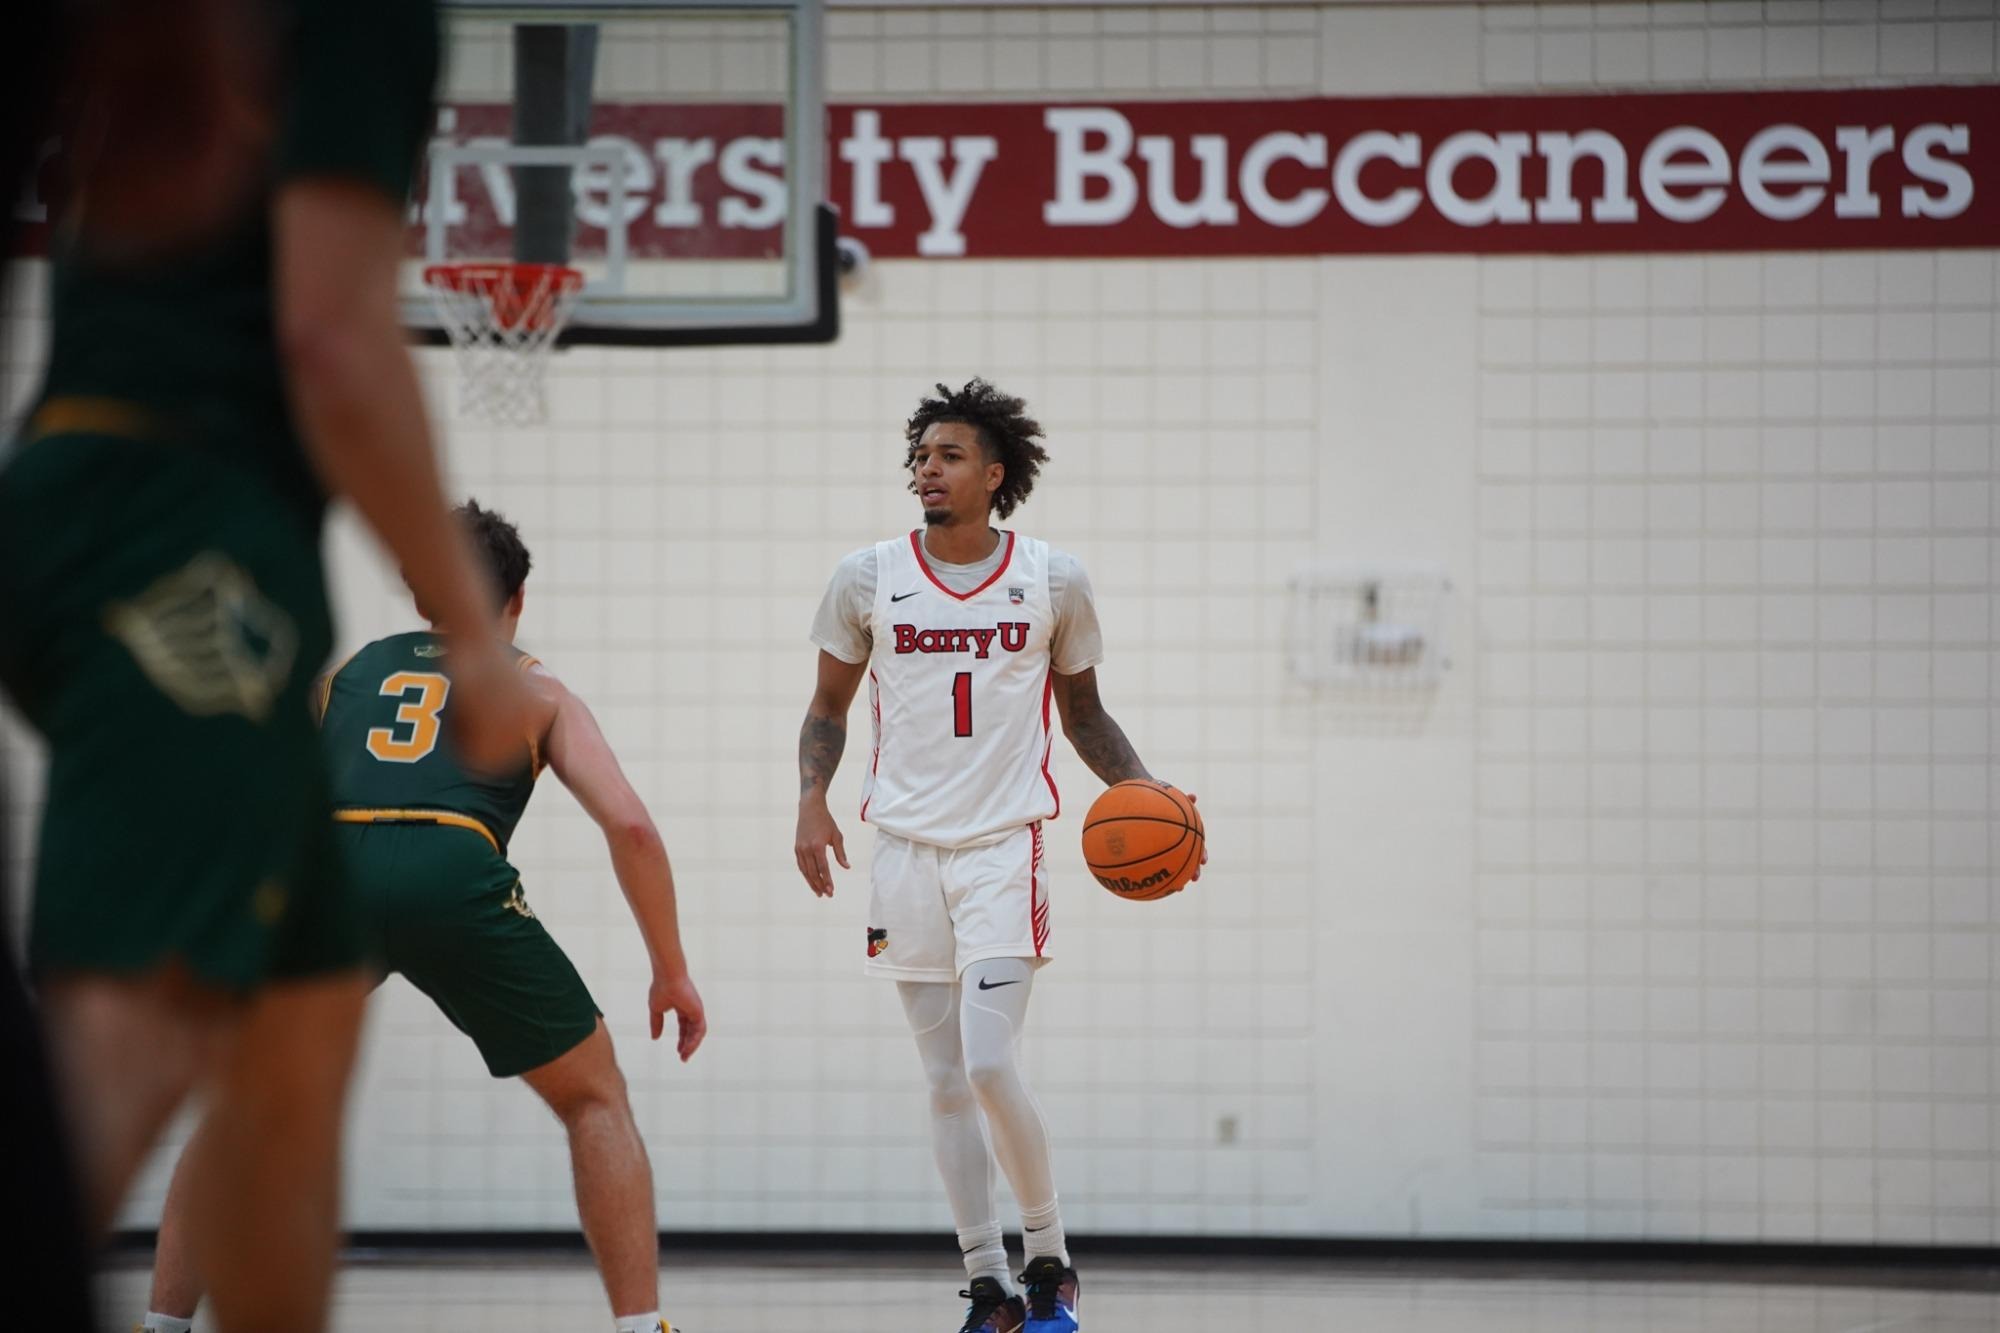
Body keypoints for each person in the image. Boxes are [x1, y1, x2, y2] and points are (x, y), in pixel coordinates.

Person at [0, 1, 537, 1328]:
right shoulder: (359, 21)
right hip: (186, 539)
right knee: (144, 1022)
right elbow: (334, 338)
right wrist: (477, 639)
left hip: (106, 498)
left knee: (297, 1035)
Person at [141, 501, 706, 1333]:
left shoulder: (347, 675)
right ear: (515, 602)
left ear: (421, 596)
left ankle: (161, 1325)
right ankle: (639, 1326)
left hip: (333, 874)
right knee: (594, 1098)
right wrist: (671, 968)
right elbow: (632, 826)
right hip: (455, 870)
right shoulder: (538, 689)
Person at [794, 379, 1200, 1333]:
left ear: (994, 473)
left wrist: (1149, 794)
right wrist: (810, 800)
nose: (926, 471)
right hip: (902, 850)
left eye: (946, 456)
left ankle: (1050, 1258)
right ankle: (988, 1285)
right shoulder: (867, 576)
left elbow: (1084, 713)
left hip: (1002, 850)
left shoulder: (1053, 579)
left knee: (985, 1063)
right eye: (920, 457)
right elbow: (826, 710)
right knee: (941, 1080)